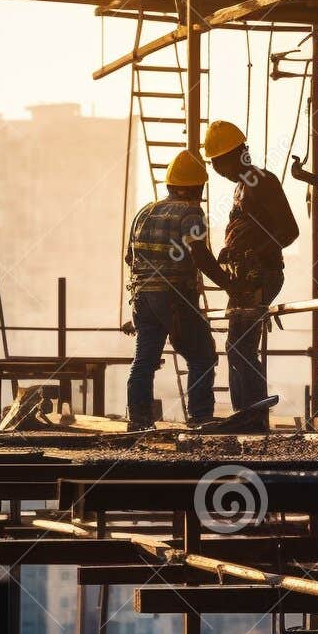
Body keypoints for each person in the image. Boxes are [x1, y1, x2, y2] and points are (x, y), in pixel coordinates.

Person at [202, 119, 300, 433]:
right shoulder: (243, 186)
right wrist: (232, 250)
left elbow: (289, 230)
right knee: (237, 344)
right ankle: (246, 413)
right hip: (247, 276)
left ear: (235, 155)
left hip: (262, 274)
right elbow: (253, 229)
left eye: (219, 163)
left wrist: (253, 253)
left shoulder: (262, 181)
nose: (217, 170)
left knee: (239, 345)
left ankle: (252, 414)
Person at [124, 150, 234, 429]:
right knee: (201, 355)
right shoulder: (191, 212)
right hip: (173, 296)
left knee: (144, 360)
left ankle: (138, 421)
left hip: (141, 297)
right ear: (197, 186)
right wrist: (231, 285)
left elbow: (129, 258)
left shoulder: (144, 211)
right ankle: (200, 417)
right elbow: (200, 255)